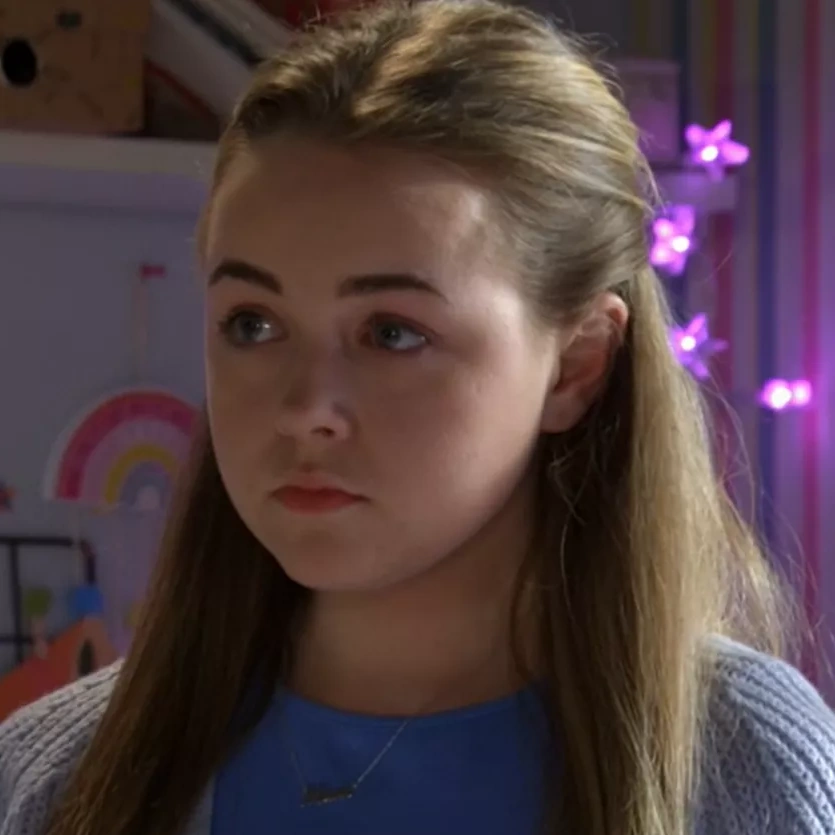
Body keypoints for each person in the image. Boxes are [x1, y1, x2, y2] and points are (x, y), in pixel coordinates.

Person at [2, 1, 835, 833]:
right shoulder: (52, 776)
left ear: (576, 364)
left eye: (392, 333)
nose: (305, 410)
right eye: (252, 323)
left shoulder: (742, 768)